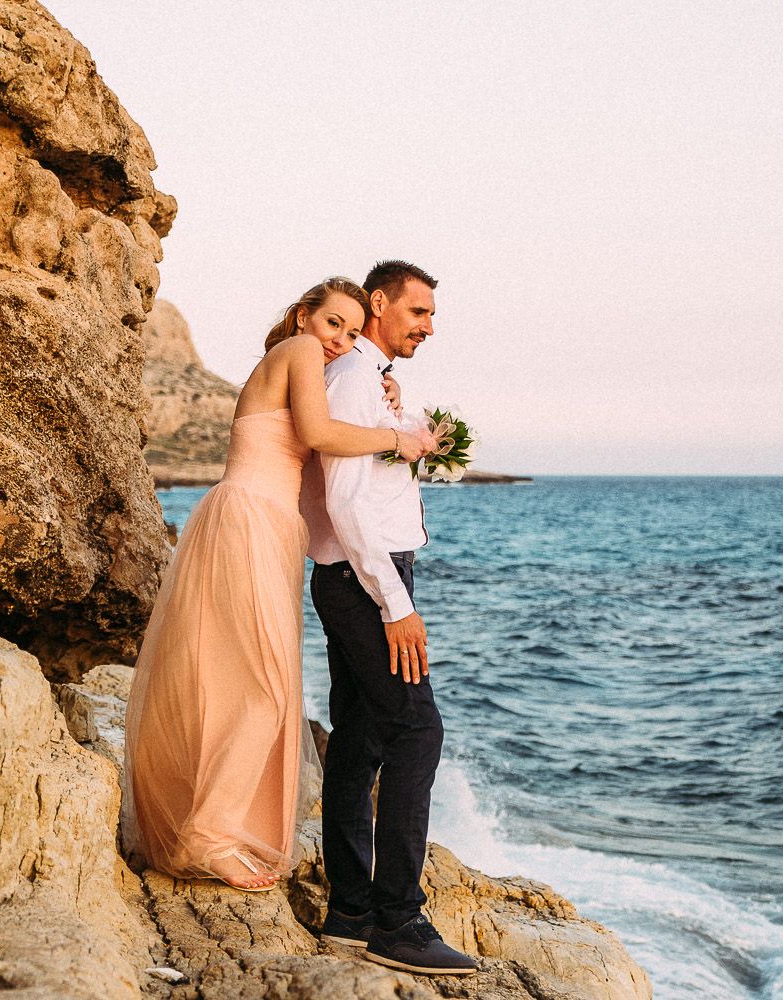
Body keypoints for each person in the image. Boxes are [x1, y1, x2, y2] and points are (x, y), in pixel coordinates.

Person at [121, 277, 432, 891]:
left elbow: (327, 452)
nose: (341, 340)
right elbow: (320, 437)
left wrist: (386, 396)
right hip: (250, 521)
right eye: (331, 324)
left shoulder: (310, 365)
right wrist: (401, 439)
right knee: (262, 687)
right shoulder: (296, 353)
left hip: (269, 527)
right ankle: (210, 837)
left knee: (244, 679)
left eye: (349, 329)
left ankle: (212, 826)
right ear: (301, 317)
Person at [300, 261, 478, 975]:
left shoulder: (369, 378)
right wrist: (397, 606)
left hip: (363, 575)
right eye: (419, 311)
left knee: (364, 735)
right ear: (379, 302)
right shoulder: (349, 379)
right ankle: (398, 921)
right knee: (417, 729)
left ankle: (350, 909)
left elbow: (373, 475)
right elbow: (345, 505)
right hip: (363, 579)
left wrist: (409, 426)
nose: (429, 327)